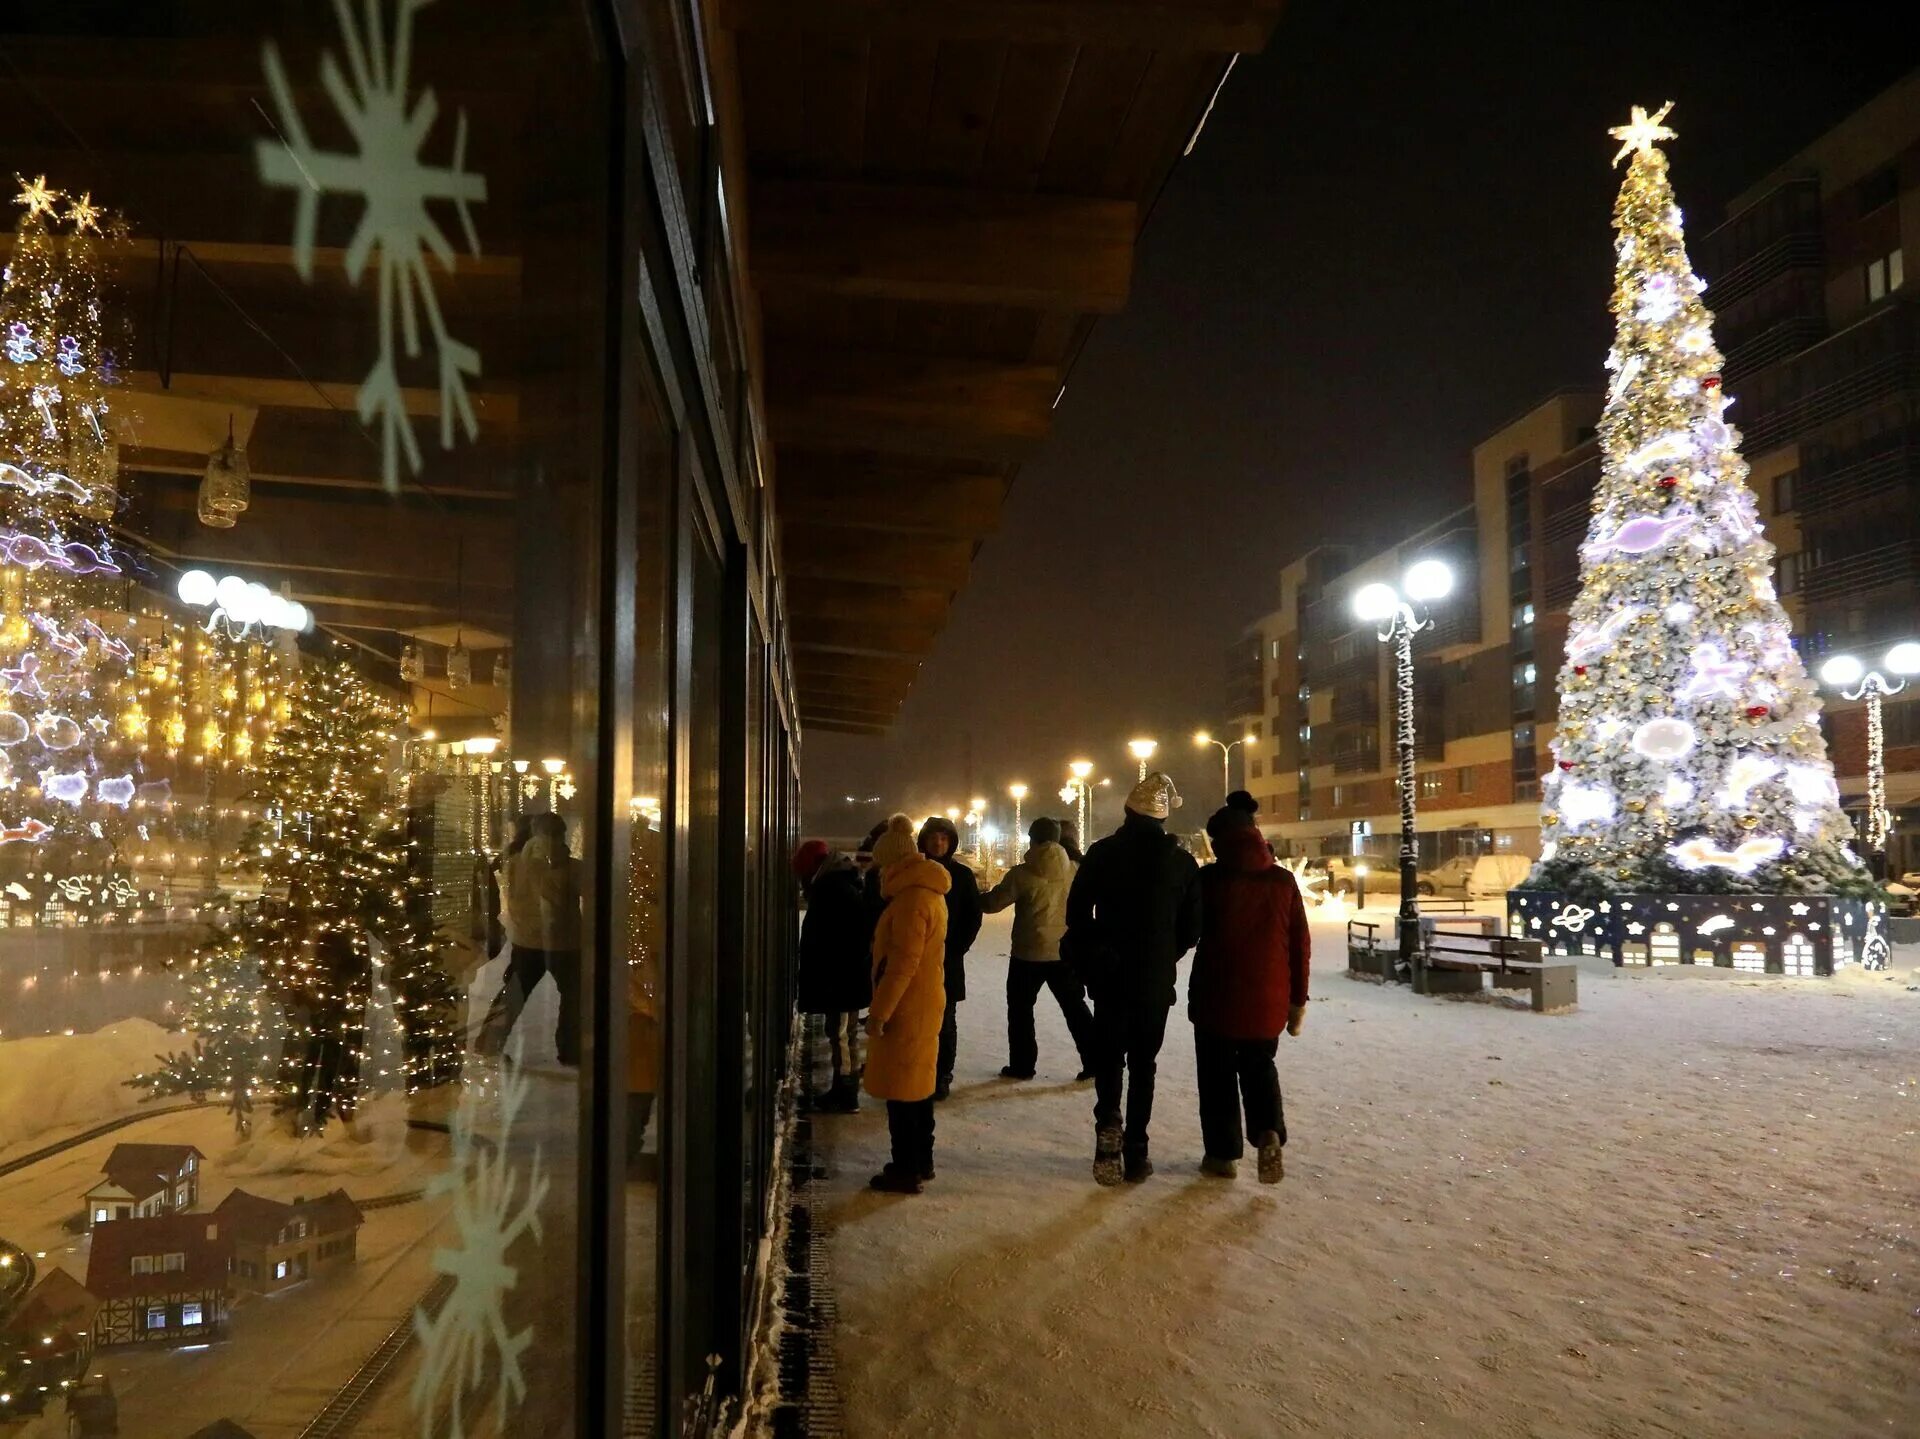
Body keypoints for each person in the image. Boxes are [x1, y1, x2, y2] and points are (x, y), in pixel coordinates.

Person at [1063, 772, 1200, 1186]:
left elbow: (1075, 915)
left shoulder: (1102, 854)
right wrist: (1163, 954)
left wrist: (1099, 948)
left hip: (1109, 977)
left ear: (1127, 811)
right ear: (1162, 818)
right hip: (1154, 981)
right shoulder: (1181, 861)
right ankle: (1138, 1152)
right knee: (1144, 1065)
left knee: (1110, 1060)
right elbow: (1193, 927)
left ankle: (1108, 1121)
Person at [1187, 809, 1309, 1184]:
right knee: (1260, 1068)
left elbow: (1188, 930)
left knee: (1217, 1076)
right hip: (1267, 999)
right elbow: (1299, 947)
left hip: (1215, 997)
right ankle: (1268, 1131)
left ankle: (1222, 1156)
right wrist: (1298, 1000)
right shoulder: (1283, 881)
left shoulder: (1208, 880)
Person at [863, 814, 950, 1194]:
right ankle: (920, 1162)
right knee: (917, 1087)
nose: (880, 872)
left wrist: (880, 1013)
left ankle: (905, 1168)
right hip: (920, 1000)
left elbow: (902, 964)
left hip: (907, 1006)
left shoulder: (912, 899)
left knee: (903, 1093)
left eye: (883, 865)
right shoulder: (922, 892)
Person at [980, 816, 1094, 1081]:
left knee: (1020, 1011)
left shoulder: (1021, 873)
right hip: (1064, 953)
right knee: (1075, 1008)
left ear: (1032, 839)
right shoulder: (1075, 869)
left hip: (1027, 955)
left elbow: (994, 904)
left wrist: (972, 899)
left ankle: (1022, 1065)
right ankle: (1095, 1059)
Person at [491, 811, 584, 1064]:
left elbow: (512, 898)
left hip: (531, 941)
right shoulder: (569, 868)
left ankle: (492, 1042)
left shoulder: (517, 863)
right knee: (572, 997)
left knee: (515, 994)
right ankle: (570, 1050)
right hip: (561, 943)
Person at [793, 838, 873, 1112]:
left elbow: (844, 938)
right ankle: (844, 1087)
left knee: (840, 1035)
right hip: (842, 976)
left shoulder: (833, 889)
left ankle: (846, 1092)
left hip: (840, 978)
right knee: (842, 1033)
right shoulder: (839, 884)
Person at [917, 815, 981, 1101]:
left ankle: (942, 1074)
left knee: (945, 1020)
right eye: (933, 837)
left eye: (944, 838)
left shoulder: (963, 875)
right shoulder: (914, 871)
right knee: (916, 1018)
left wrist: (955, 950)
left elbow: (972, 918)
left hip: (947, 960)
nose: (938, 843)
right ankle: (919, 1070)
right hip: (915, 960)